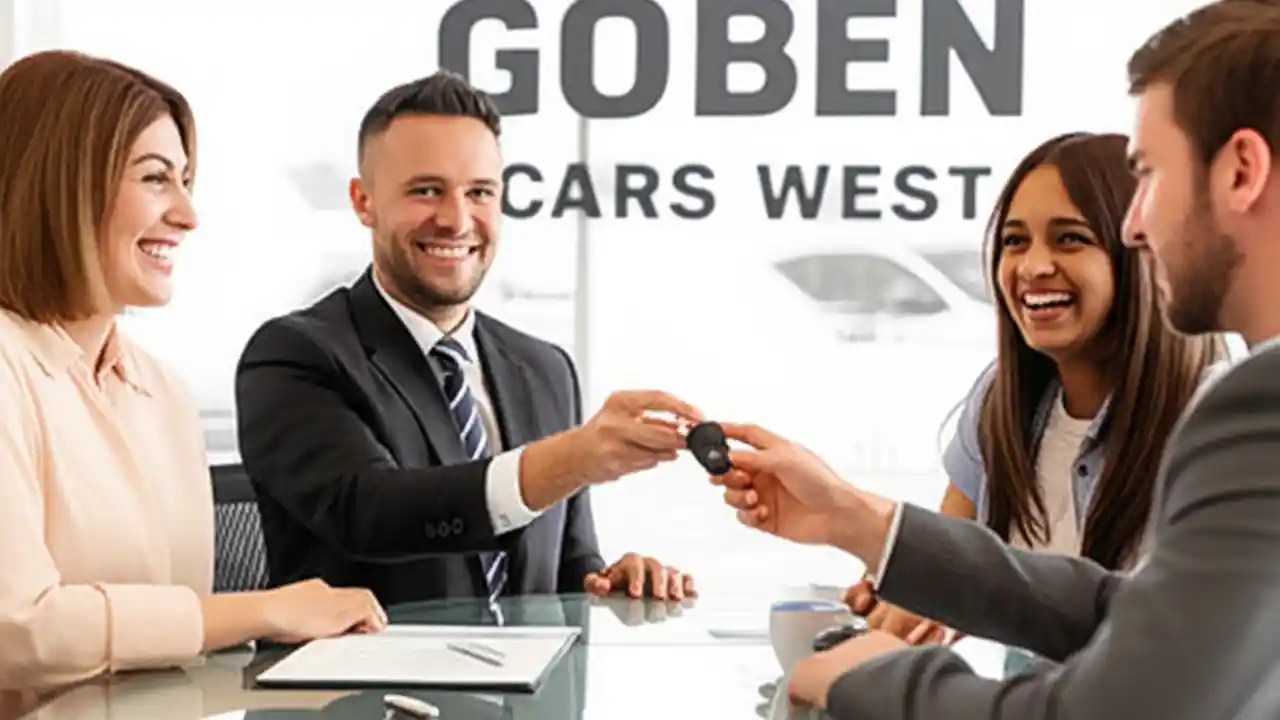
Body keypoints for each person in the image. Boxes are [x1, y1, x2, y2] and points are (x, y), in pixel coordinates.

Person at [714, 1, 1280, 716]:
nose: (1137, 224)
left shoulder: (1255, 400)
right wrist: (851, 517)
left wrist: (873, 680)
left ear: (1241, 171)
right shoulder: (1007, 405)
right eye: (1014, 241)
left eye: (1150, 175)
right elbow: (1129, 607)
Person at [0, 51, 386, 716]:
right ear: (63, 185)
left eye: (185, 181)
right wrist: (264, 609)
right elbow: (18, 628)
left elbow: (172, 654)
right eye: (156, 180)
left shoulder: (162, 393)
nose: (187, 214)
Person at [235, 71, 700, 608]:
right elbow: (371, 515)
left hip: (527, 691)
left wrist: (609, 584)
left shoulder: (545, 369)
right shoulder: (296, 356)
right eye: (427, 191)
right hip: (367, 687)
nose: (457, 220)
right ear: (364, 203)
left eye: (480, 192)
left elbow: (569, 566)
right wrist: (569, 458)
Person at [844, 132, 1227, 645]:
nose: (1032, 267)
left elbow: (1181, 644)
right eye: (1014, 241)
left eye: (1070, 238)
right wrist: (911, 596)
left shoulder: (1215, 422)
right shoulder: (1000, 403)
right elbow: (950, 574)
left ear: (1140, 248)